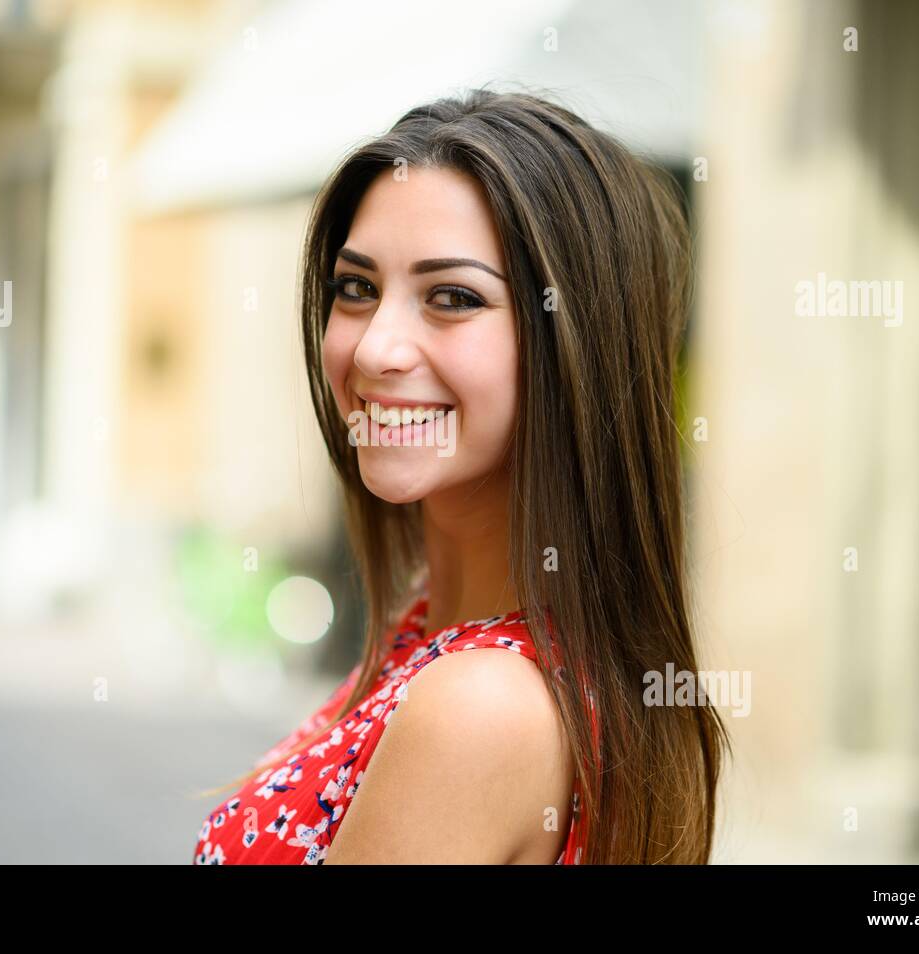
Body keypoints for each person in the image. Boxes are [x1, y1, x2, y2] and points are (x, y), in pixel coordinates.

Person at [193, 86, 729, 864]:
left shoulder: (480, 706)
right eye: (356, 288)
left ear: (578, 344)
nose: (376, 348)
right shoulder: (436, 639)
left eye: (452, 297)